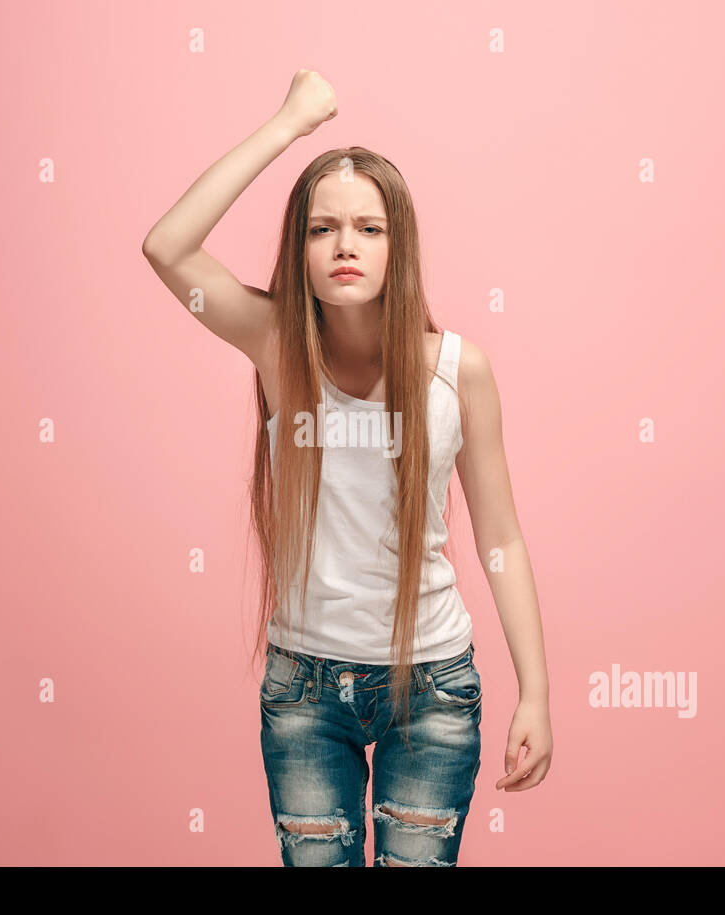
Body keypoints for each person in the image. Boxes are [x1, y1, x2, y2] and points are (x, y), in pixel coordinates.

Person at [142, 69, 551, 866]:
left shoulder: (458, 373)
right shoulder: (274, 345)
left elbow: (502, 540)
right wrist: (289, 124)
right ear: (299, 248)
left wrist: (535, 690)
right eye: (322, 228)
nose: (345, 246)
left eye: (368, 227)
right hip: (304, 692)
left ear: (399, 245)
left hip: (431, 690)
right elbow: (167, 246)